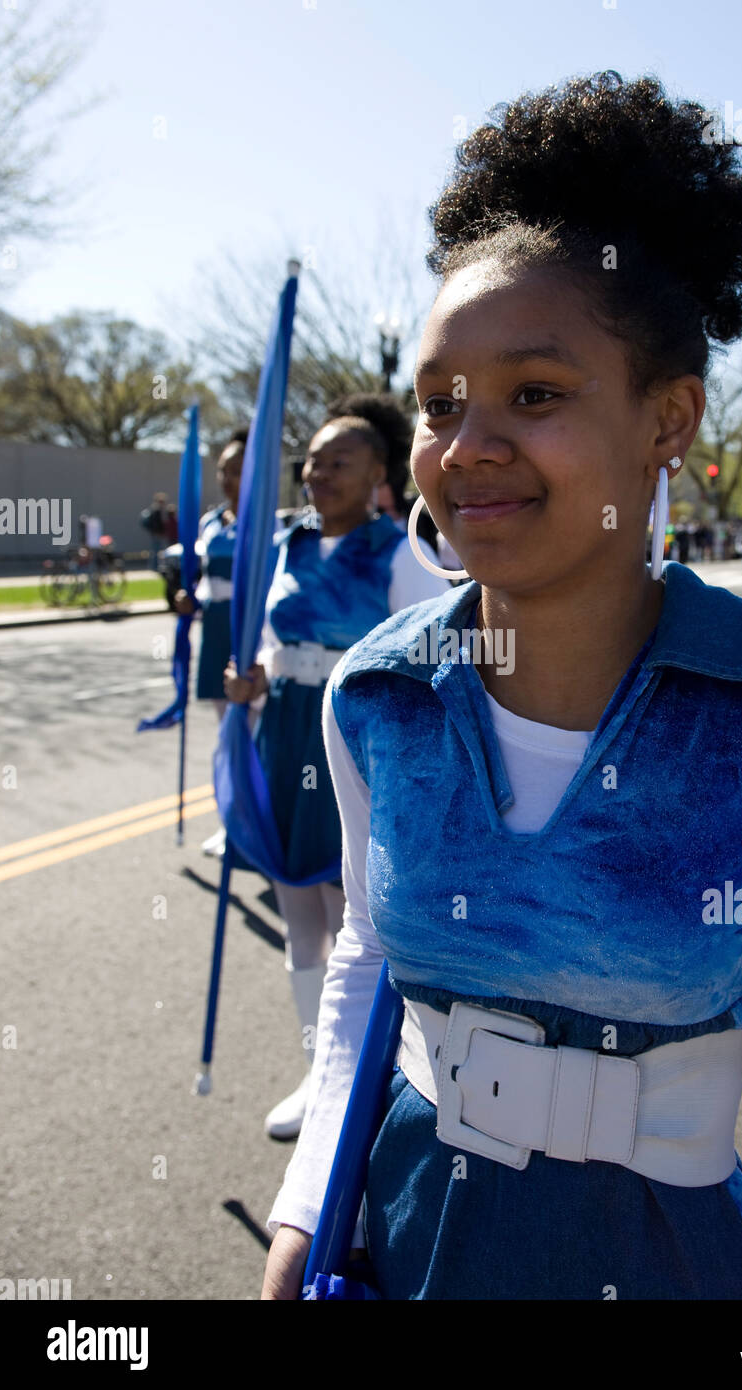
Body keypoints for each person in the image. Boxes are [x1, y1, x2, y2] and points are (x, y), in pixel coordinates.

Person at [261, 72, 742, 1301]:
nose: (468, 446)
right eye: (440, 403)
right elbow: (368, 965)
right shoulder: (375, 695)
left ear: (669, 419)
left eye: (535, 395)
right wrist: (302, 1217)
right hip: (405, 1246)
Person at [224, 395, 450, 1139]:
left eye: (337, 461)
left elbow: (425, 659)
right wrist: (250, 678)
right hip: (284, 733)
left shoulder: (398, 551)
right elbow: (265, 639)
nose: (318, 472)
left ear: (376, 472)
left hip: (355, 739)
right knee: (296, 906)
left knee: (350, 913)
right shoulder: (286, 544)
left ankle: (367, 1075)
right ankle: (319, 1071)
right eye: (312, 460)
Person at [175, 429, 248, 855]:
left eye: (237, 470)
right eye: (223, 470)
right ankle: (230, 824)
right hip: (215, 630)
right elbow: (205, 584)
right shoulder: (209, 522)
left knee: (249, 734)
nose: (228, 478)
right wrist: (192, 601)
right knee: (225, 734)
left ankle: (254, 824)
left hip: (248, 632)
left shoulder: (268, 525)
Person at [140, 493, 170, 569]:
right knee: (156, 551)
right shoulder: (156, 510)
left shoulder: (154, 510)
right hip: (157, 534)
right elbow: (157, 523)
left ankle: (154, 566)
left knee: (155, 550)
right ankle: (154, 567)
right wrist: (160, 532)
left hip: (155, 533)